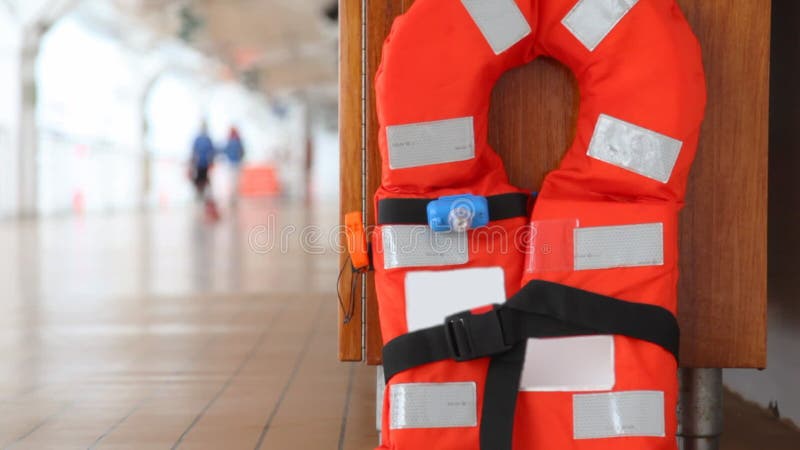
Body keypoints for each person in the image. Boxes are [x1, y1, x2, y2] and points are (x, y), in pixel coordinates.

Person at [190, 122, 216, 200]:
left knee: (205, 179)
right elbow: (194, 151)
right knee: (199, 179)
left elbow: (212, 151)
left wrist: (211, 161)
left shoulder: (208, 139)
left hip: (205, 163)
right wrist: (193, 161)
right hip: (198, 163)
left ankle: (206, 195)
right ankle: (199, 193)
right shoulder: (197, 139)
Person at [223, 126, 245, 204]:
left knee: (232, 180)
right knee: (236, 180)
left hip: (232, 163)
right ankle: (234, 196)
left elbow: (225, 151)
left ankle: (233, 196)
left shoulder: (230, 141)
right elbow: (242, 152)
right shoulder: (238, 141)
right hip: (236, 163)